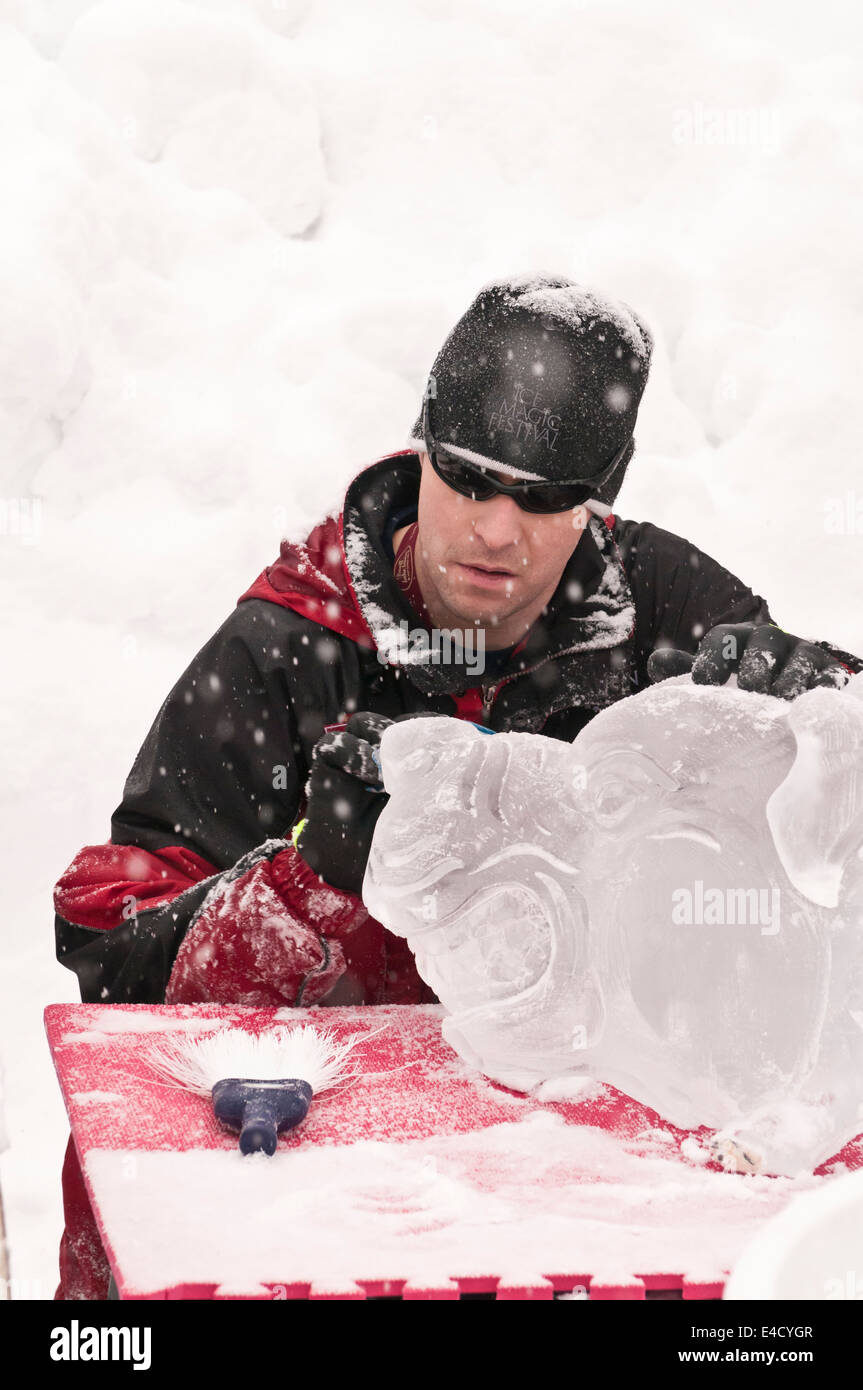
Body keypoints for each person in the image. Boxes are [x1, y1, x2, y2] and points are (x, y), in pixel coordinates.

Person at [52, 275, 862, 1298]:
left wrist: (825, 699)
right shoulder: (289, 647)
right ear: (422, 450)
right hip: (330, 1194)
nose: (495, 531)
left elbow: (831, 853)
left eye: (542, 499)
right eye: (471, 480)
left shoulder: (659, 610)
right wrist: (307, 882)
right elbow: (114, 969)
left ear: (597, 497)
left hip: (607, 1178)